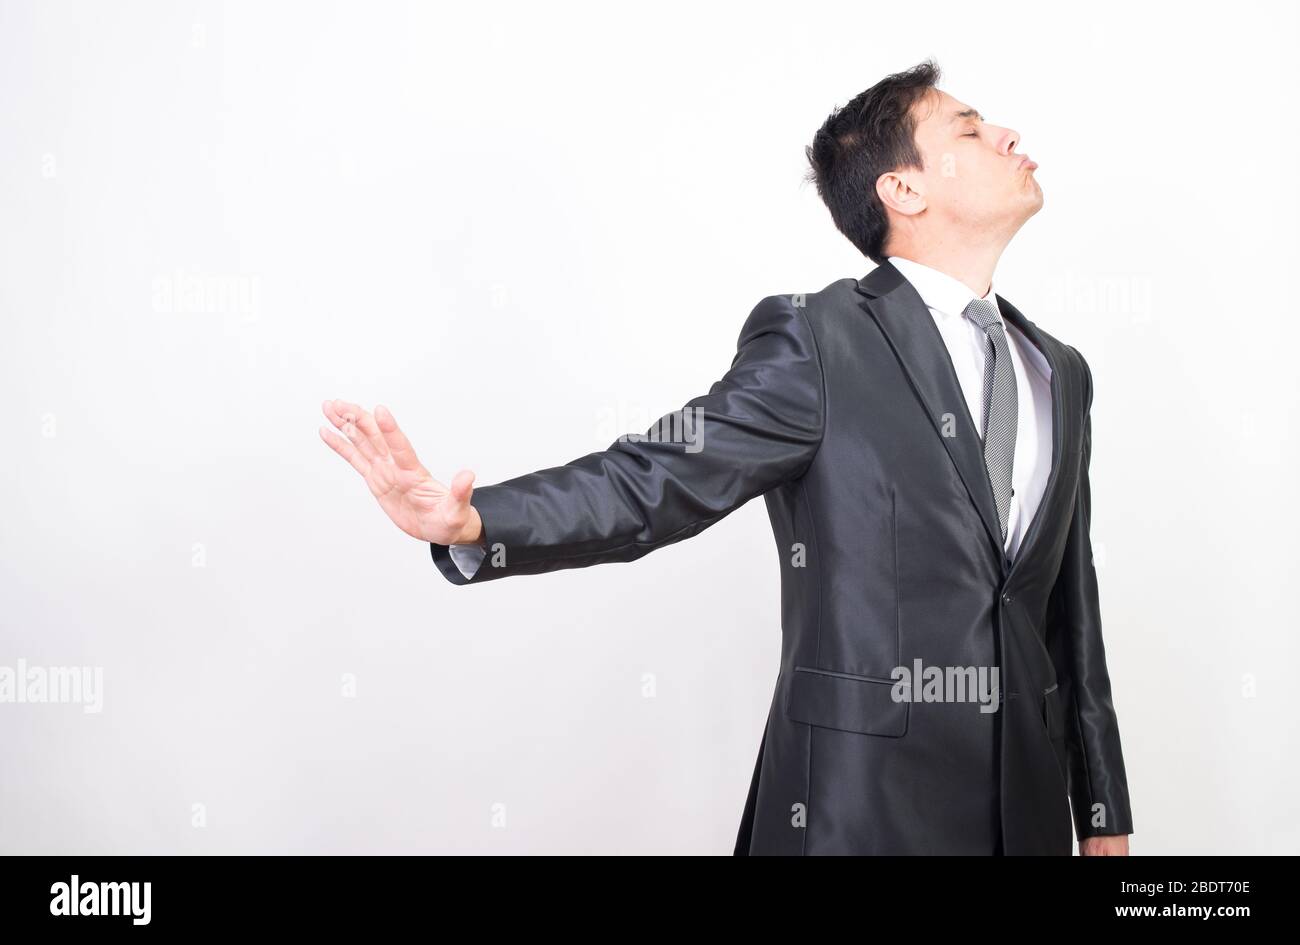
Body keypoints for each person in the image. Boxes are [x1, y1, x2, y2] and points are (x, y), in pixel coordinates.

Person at [319, 60, 1134, 855]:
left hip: (1025, 814)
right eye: (970, 126)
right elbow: (661, 472)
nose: (1006, 134)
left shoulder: (1057, 370)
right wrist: (475, 519)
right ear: (905, 189)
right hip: (860, 807)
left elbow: (1071, 605)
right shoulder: (822, 340)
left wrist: (1100, 803)